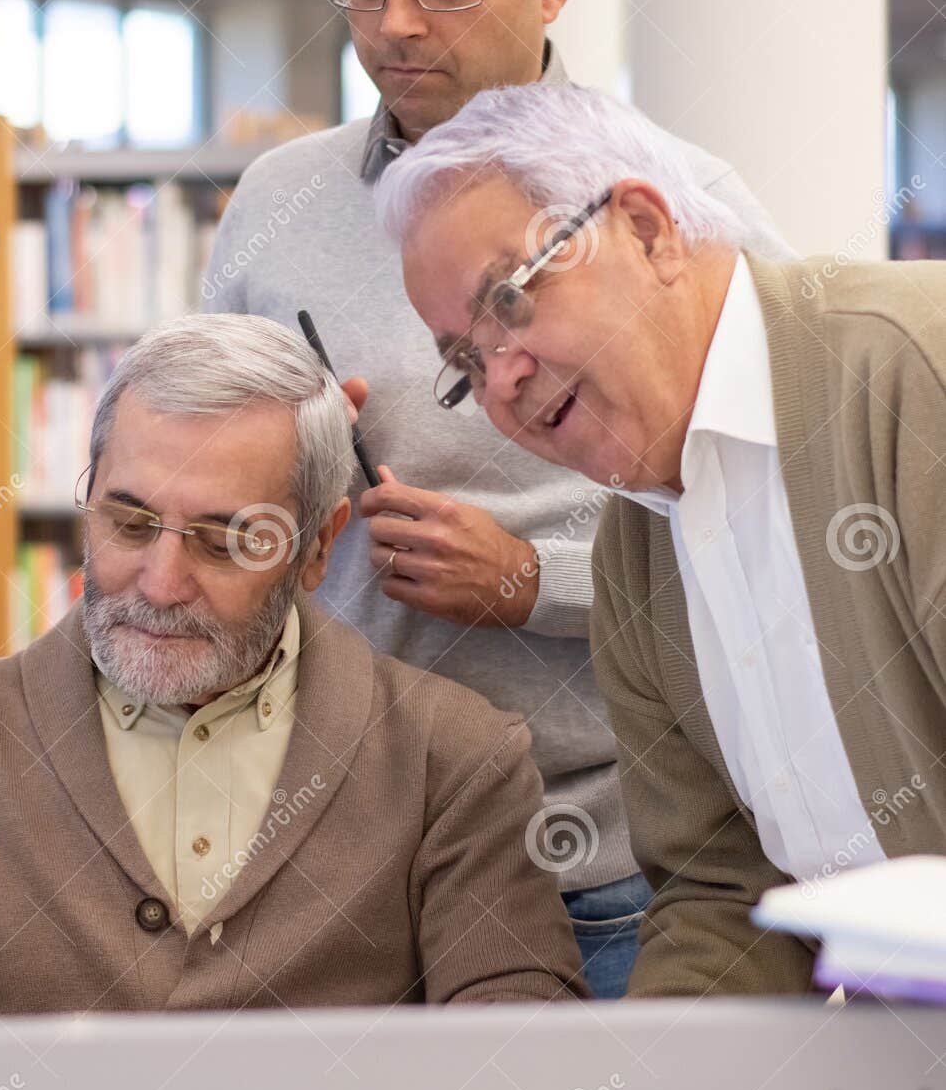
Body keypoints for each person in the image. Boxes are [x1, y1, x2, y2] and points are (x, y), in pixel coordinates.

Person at [202, 0, 788, 996]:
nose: (395, 22)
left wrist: (532, 585)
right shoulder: (276, 201)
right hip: (338, 856)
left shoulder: (683, 209)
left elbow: (786, 541)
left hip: (604, 869)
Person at [375, 77, 946, 997]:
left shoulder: (913, 376)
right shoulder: (636, 548)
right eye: (464, 363)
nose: (504, 378)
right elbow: (721, 889)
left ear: (646, 229)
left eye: (510, 304)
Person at [0, 315, 586, 1016]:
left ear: (317, 548)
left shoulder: (454, 759)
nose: (159, 584)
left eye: (222, 542)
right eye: (129, 523)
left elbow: (517, 1065)